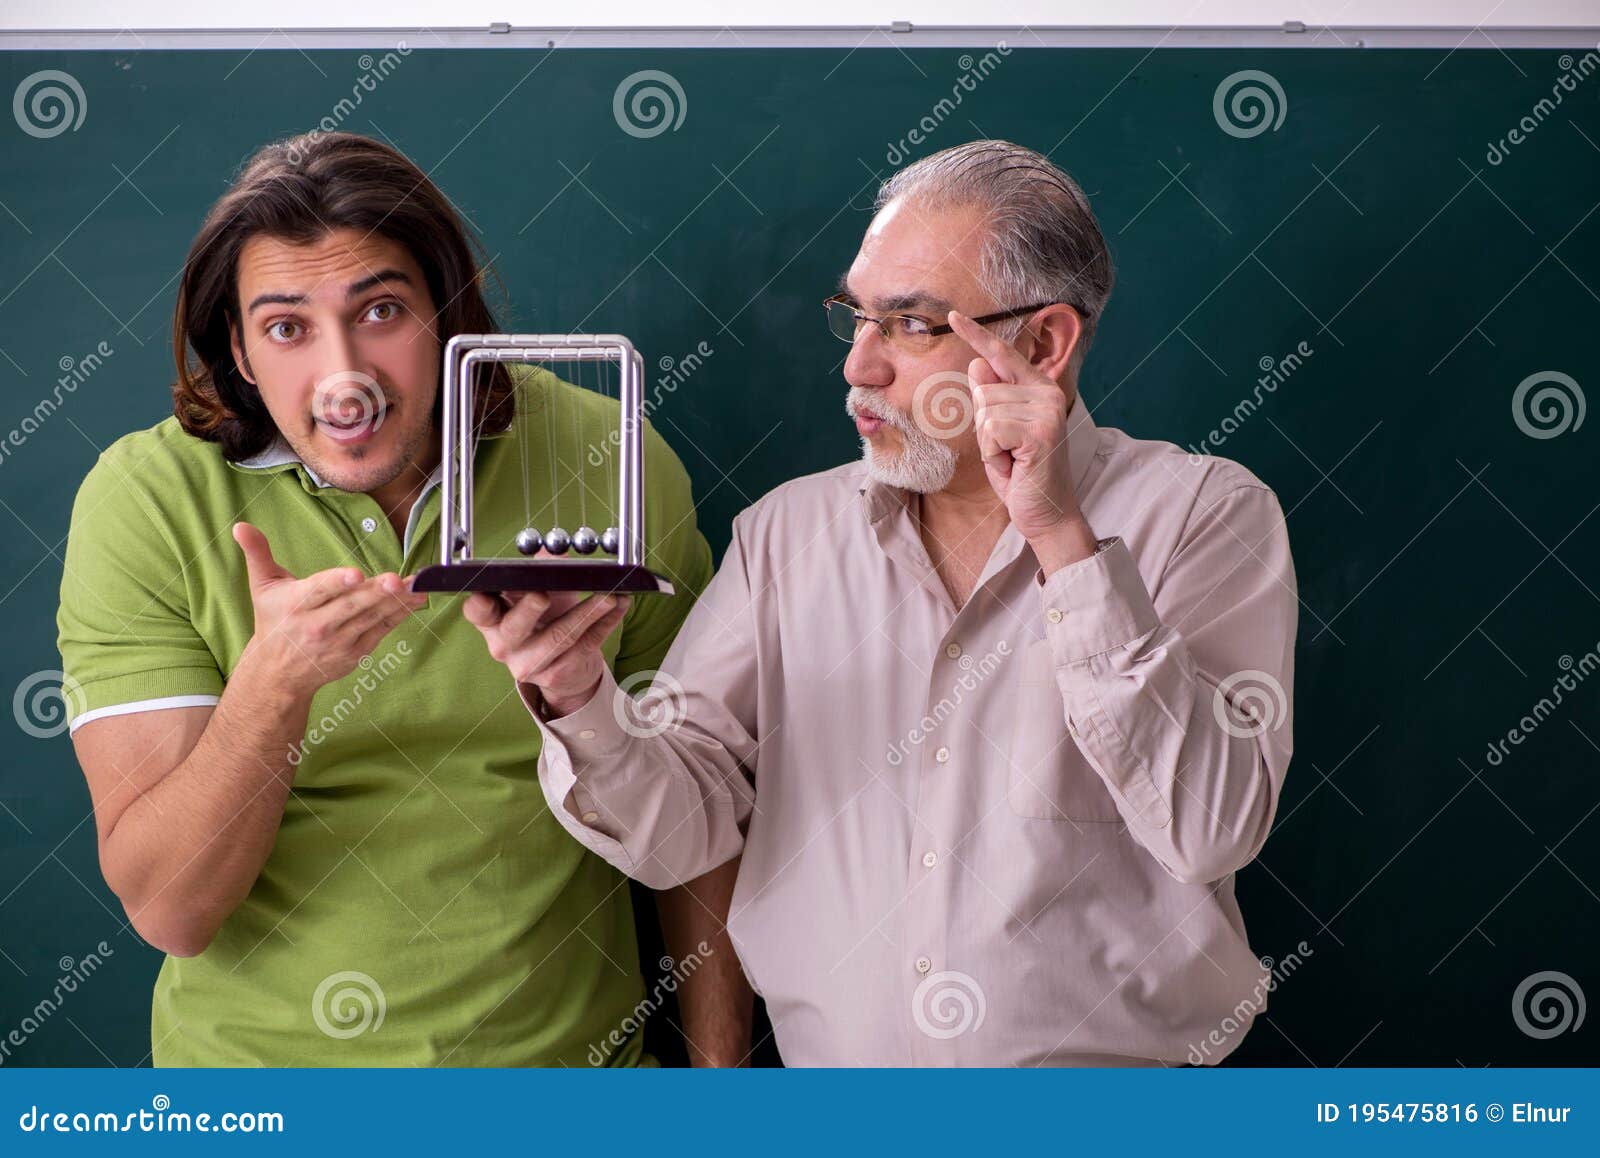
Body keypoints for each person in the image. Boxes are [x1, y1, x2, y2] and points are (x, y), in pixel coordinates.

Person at [468, 139, 1299, 1066]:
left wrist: (1064, 540)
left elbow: (1212, 829)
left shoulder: (1203, 514)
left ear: (1042, 344)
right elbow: (679, 837)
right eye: (856, 318)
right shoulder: (784, 538)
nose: (859, 367)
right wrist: (578, 696)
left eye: (909, 325)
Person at [56, 131, 731, 1066]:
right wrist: (274, 687)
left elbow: (704, 821)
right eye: (287, 328)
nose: (346, 380)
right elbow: (172, 911)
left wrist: (720, 1084)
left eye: (380, 312)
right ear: (240, 352)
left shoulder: (604, 455)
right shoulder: (146, 500)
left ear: (447, 317)